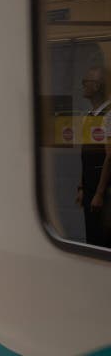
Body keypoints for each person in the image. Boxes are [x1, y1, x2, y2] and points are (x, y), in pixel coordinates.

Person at [76, 66, 111, 247]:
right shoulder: (89, 116)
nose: (83, 86)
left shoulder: (109, 115)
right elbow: (87, 153)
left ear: (97, 86)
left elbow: (110, 156)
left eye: (85, 82)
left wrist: (99, 193)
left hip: (104, 192)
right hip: (91, 188)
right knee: (93, 239)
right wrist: (82, 186)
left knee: (103, 240)